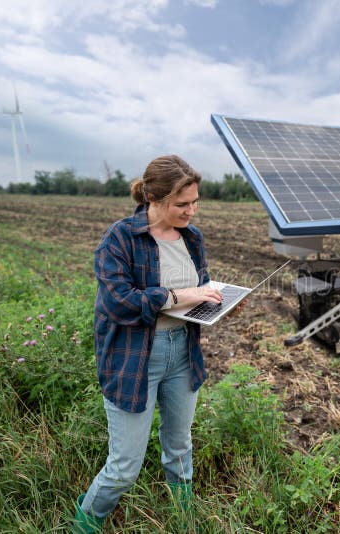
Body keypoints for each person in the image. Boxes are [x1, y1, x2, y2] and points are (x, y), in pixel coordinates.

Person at [73, 155, 223, 532]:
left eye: (195, 202)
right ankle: (84, 525)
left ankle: (182, 519)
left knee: (180, 449)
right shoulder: (121, 238)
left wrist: (219, 303)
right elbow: (119, 302)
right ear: (153, 198)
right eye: (181, 204)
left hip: (183, 353)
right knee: (124, 467)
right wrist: (179, 295)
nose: (191, 211)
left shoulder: (192, 237)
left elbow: (199, 289)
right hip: (134, 358)